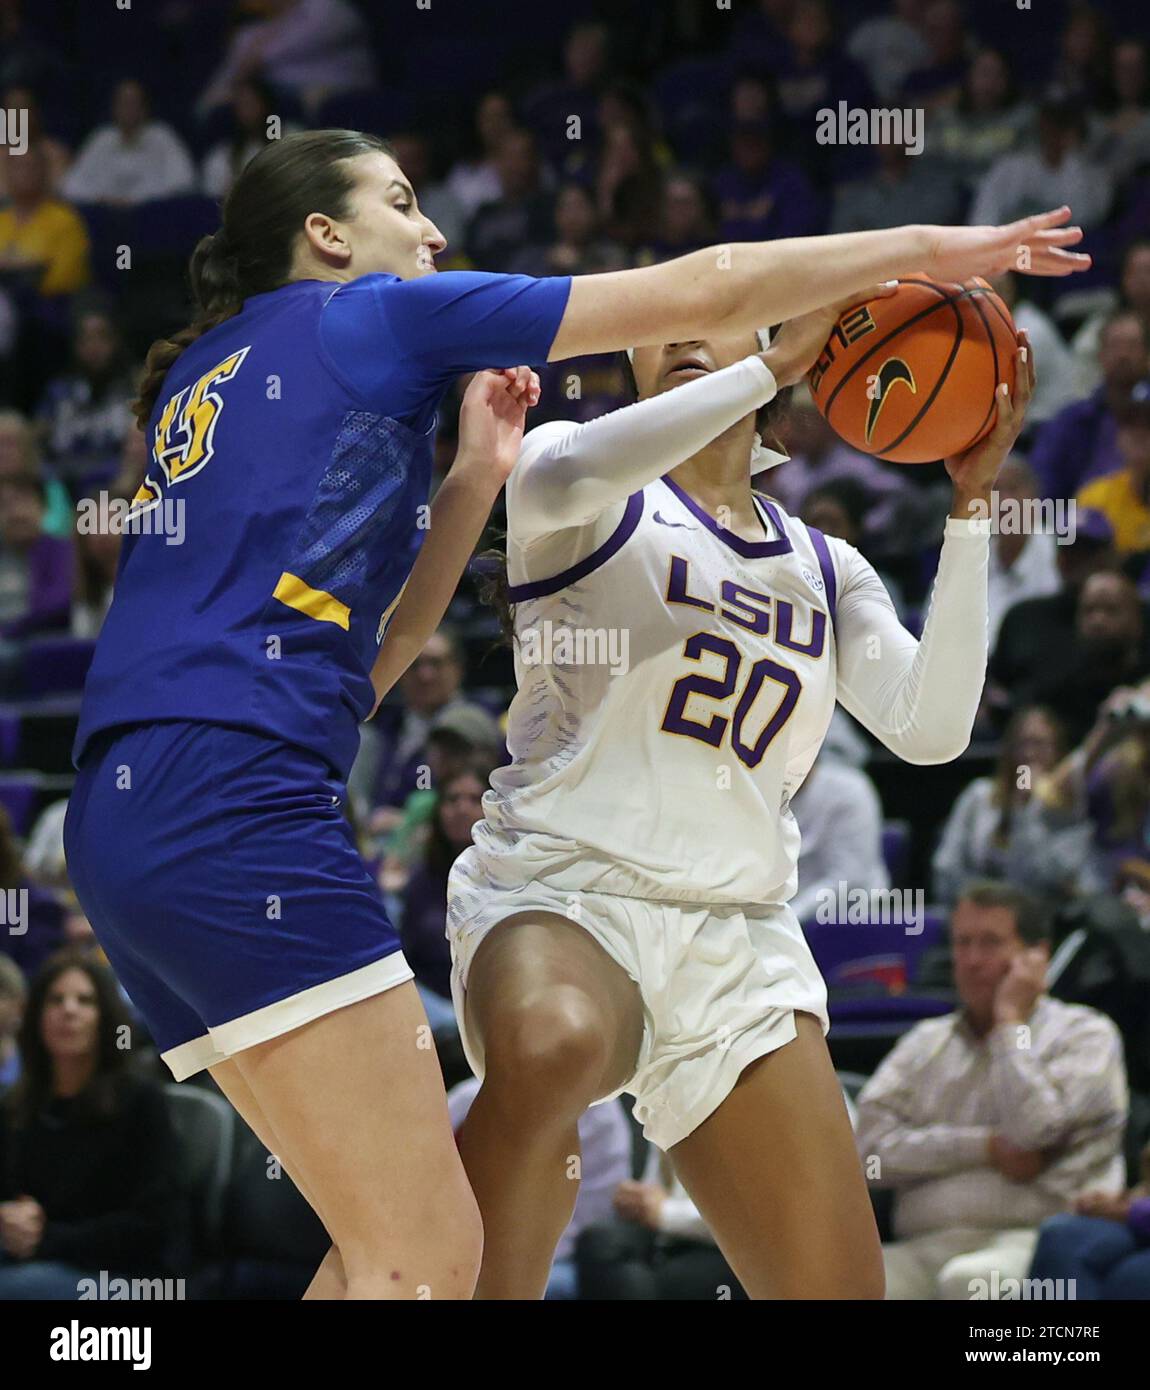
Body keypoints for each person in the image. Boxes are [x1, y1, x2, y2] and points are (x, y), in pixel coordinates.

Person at [60, 123, 1091, 1302]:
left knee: (386, 1248)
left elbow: (371, 660)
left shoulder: (229, 368)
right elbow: (708, 281)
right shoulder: (525, 433)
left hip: (170, 814)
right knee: (438, 1238)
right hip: (497, 873)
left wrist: (465, 484)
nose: (434, 230)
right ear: (326, 233)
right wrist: (929, 247)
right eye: (403, 201)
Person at [445, 272, 1039, 1296]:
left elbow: (932, 731)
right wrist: (770, 364)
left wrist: (971, 504)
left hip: (737, 941)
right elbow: (585, 458)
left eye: (717, 321)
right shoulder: (568, 480)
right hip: (562, 894)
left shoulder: (823, 564)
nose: (681, 330)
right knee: (552, 1043)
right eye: (658, 321)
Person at [856, 881, 1128, 1301]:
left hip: (1031, 1240)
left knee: (969, 1282)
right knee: (832, 1286)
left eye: (991, 943)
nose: (972, 961)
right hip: (925, 1245)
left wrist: (1009, 1025)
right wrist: (982, 1147)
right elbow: (866, 1153)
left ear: (1037, 956)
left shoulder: (1086, 1035)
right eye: (962, 943)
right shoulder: (925, 1043)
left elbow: (1033, 1131)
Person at [0, 952, 182, 1299]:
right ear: (36, 1015)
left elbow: (154, 1224)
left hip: (125, 1274)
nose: (69, 1010)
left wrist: (47, 1237)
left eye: (85, 1000)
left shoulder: (141, 1100)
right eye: (55, 1000)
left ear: (106, 1017)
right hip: (36, 1260)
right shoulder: (16, 1104)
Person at [932, 706, 1066, 905]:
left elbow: (1049, 877)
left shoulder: (1064, 809)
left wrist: (1027, 809)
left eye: (1039, 744)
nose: (1029, 754)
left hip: (1034, 914)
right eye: (1022, 743)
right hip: (974, 906)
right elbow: (946, 864)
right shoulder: (979, 796)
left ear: (1057, 751)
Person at [60, 79, 196, 207]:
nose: (128, 109)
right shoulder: (101, 139)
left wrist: (139, 201)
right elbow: (71, 185)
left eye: (133, 103)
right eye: (123, 103)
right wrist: (101, 199)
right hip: (107, 217)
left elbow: (184, 181)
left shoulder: (162, 137)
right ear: (114, 108)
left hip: (150, 217)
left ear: (145, 108)